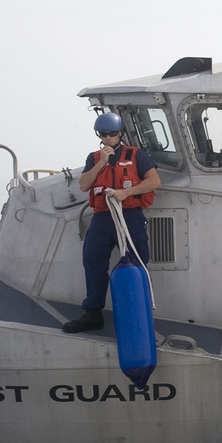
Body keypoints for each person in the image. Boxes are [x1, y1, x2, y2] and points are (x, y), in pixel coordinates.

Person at [63, 113, 162, 333]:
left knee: (137, 264)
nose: (108, 138)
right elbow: (83, 185)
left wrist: (127, 192)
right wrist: (101, 163)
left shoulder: (136, 155)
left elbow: (154, 181)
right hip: (102, 218)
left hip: (130, 216)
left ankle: (139, 313)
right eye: (103, 134)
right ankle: (93, 313)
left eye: (112, 134)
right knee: (92, 260)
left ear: (121, 134)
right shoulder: (94, 157)